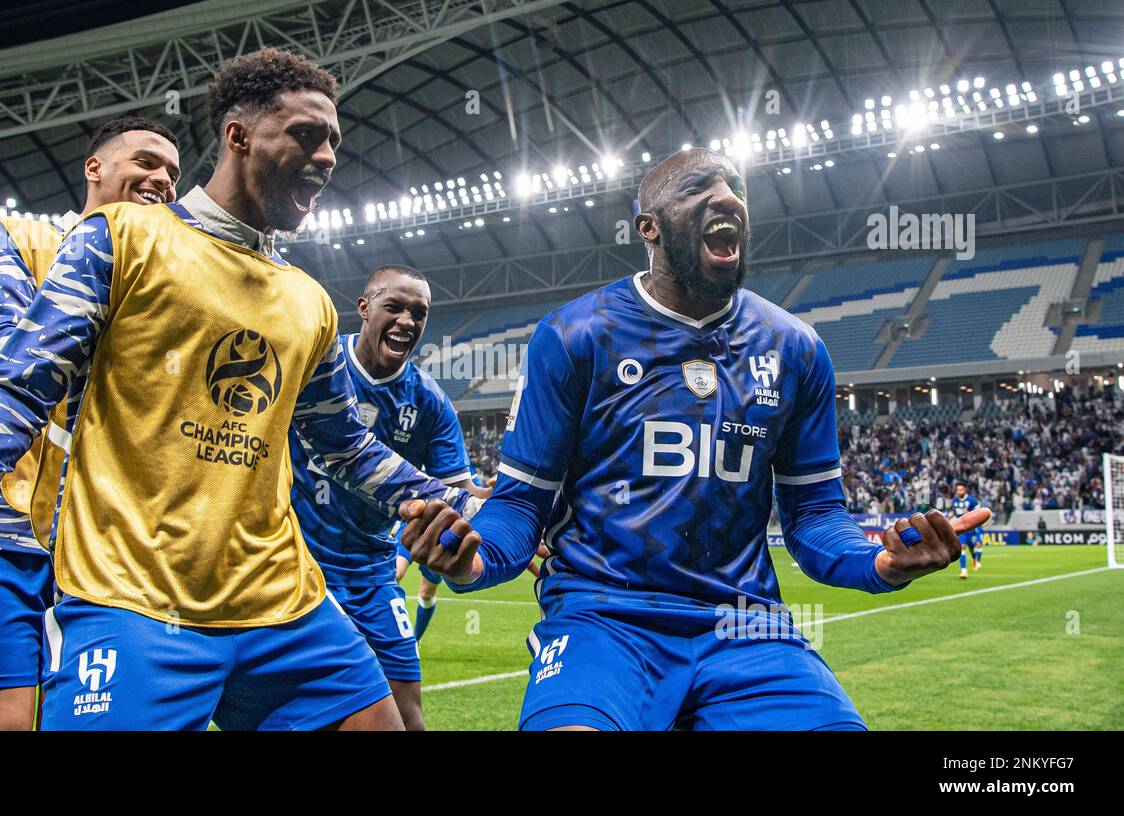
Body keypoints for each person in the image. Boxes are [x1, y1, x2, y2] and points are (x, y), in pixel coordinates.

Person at [0, 47, 479, 731]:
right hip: (134, 599)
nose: (326, 157)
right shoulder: (117, 239)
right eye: (305, 135)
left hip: (282, 603)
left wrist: (456, 501)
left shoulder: (309, 301)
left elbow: (346, 445)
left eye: (334, 143)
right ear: (238, 136)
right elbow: (19, 384)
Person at [400, 148, 989, 731]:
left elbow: (813, 517)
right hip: (603, 618)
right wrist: (473, 560)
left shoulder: (796, 348)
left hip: (748, 625)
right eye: (696, 189)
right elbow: (520, 505)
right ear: (649, 229)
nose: (727, 197)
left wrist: (879, 561)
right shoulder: (575, 335)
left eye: (735, 187)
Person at [0, 114, 181, 730]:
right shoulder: (15, 234)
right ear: (95, 167)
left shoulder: (172, 277)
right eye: (146, 162)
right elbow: (6, 350)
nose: (163, 180)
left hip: (108, 539)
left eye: (173, 173)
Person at [289, 264, 488, 730]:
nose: (406, 321)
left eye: (418, 313)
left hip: (371, 570)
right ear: (364, 308)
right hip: (296, 561)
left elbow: (458, 494)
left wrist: (516, 508)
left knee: (406, 715)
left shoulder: (430, 402)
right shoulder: (316, 363)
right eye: (393, 307)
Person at [951, 482, 983, 578]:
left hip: (971, 528)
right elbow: (954, 513)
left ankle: (976, 561)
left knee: (972, 547)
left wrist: (969, 513)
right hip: (961, 528)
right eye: (957, 489)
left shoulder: (972, 501)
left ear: (965, 490)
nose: (959, 491)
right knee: (963, 547)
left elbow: (978, 514)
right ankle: (963, 571)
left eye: (961, 489)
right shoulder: (954, 500)